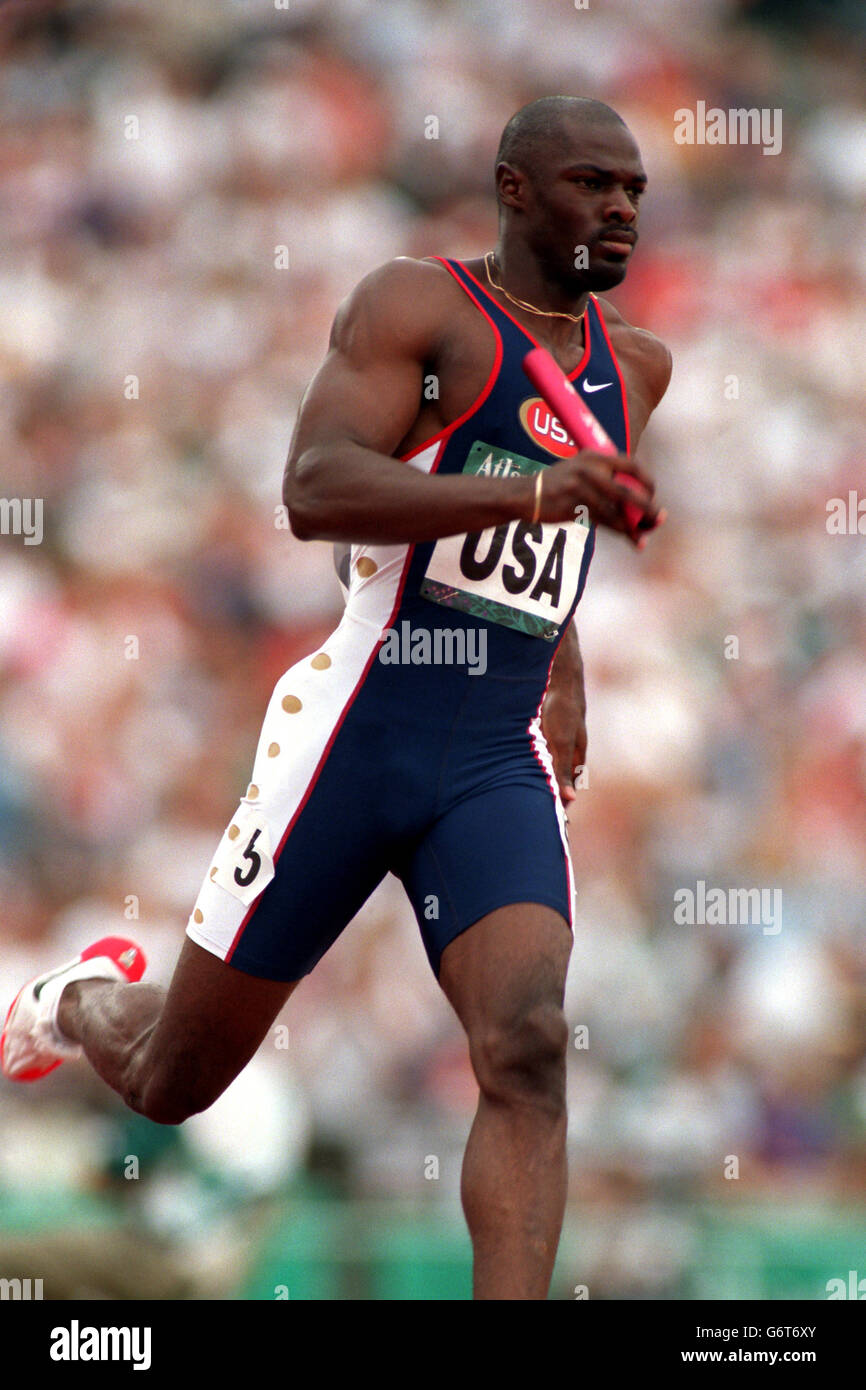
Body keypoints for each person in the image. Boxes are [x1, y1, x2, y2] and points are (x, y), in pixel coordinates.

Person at [2, 95, 671, 1300]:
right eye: (590, 184)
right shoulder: (416, 305)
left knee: (525, 1047)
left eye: (631, 189)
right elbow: (317, 488)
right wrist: (534, 493)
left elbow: (552, 553)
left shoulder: (635, 366)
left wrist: (562, 664)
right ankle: (75, 994)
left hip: (492, 755)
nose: (619, 209)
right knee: (172, 1080)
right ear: (515, 190)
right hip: (355, 730)